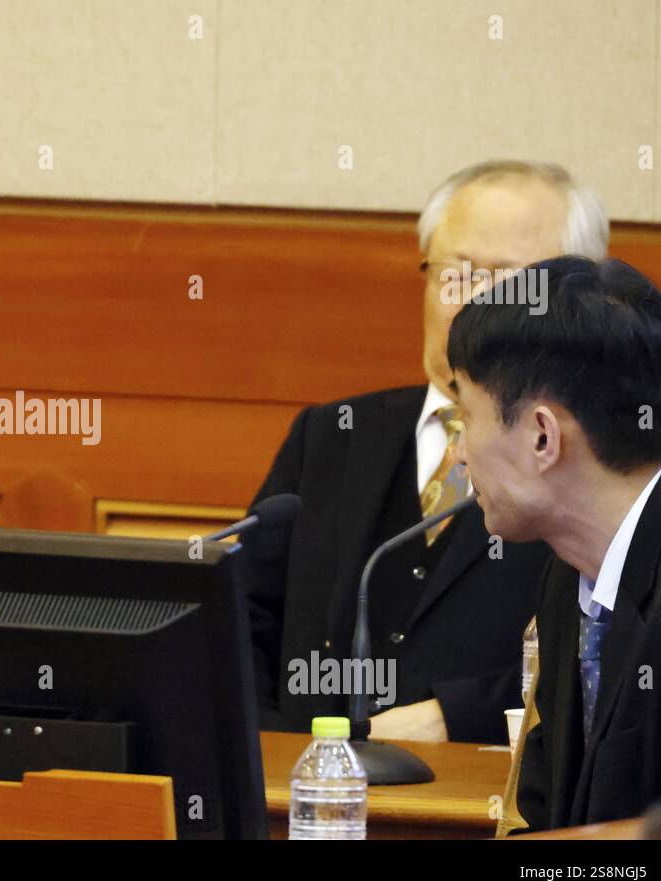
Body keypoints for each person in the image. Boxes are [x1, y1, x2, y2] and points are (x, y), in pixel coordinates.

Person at [240, 161, 608, 742]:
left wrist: (459, 716)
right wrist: (267, 757)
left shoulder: (612, 457)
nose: (470, 302)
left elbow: (619, 654)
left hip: (503, 803)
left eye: (507, 280)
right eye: (453, 275)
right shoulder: (332, 433)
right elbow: (242, 617)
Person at [449, 256, 661, 828]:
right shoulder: (571, 578)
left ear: (543, 436)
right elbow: (547, 820)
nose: (460, 454)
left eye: (466, 418)